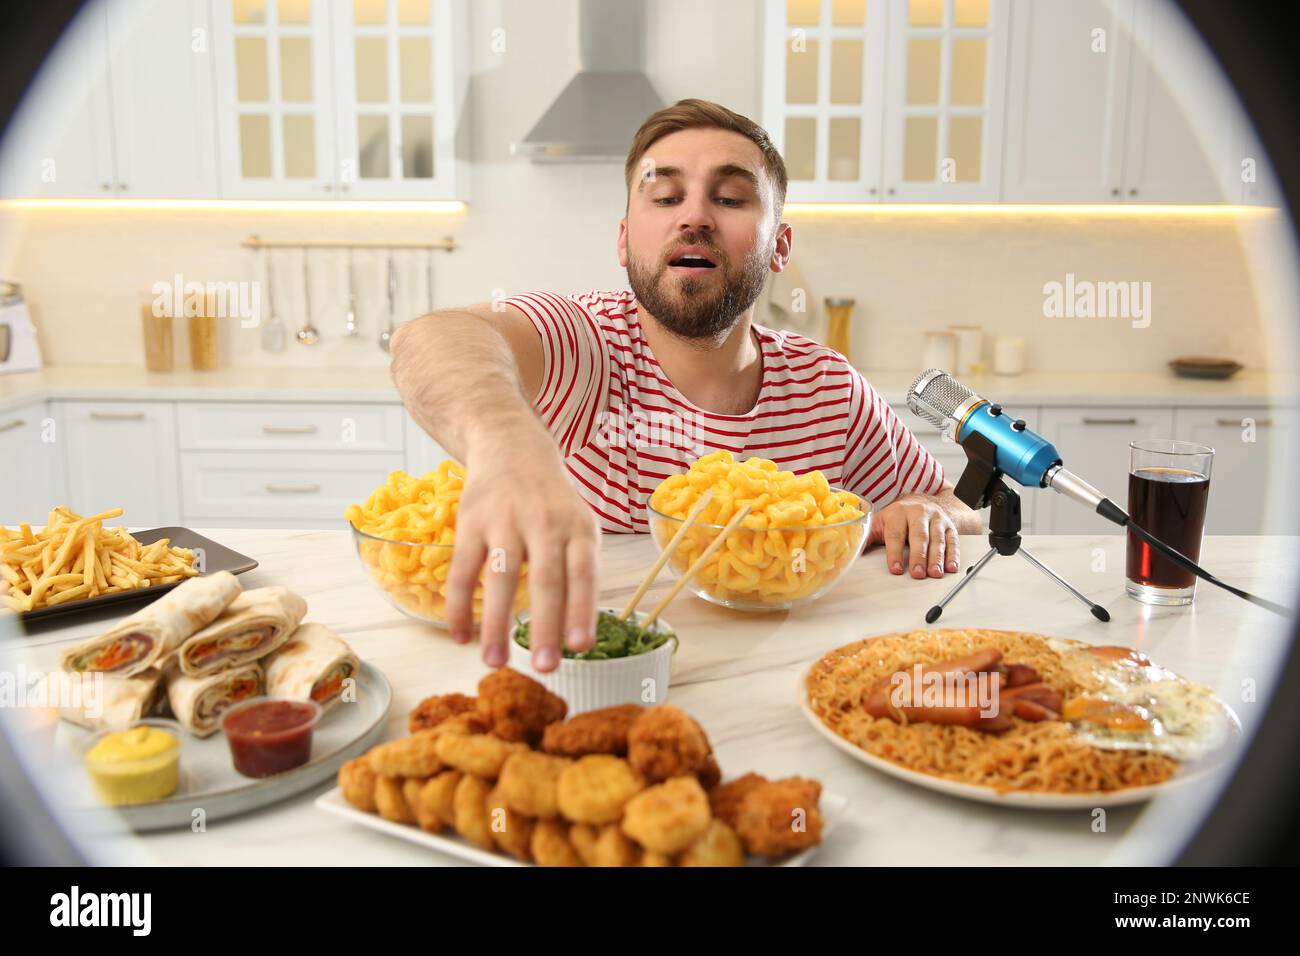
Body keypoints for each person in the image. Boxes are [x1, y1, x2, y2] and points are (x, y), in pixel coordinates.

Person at [391, 98, 981, 673]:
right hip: (583, 675)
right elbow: (433, 339)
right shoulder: (581, 346)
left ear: (780, 246)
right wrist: (508, 449)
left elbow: (955, 506)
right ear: (624, 239)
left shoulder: (828, 388)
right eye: (666, 196)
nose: (694, 216)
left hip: (781, 687)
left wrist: (925, 514)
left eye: (728, 198)